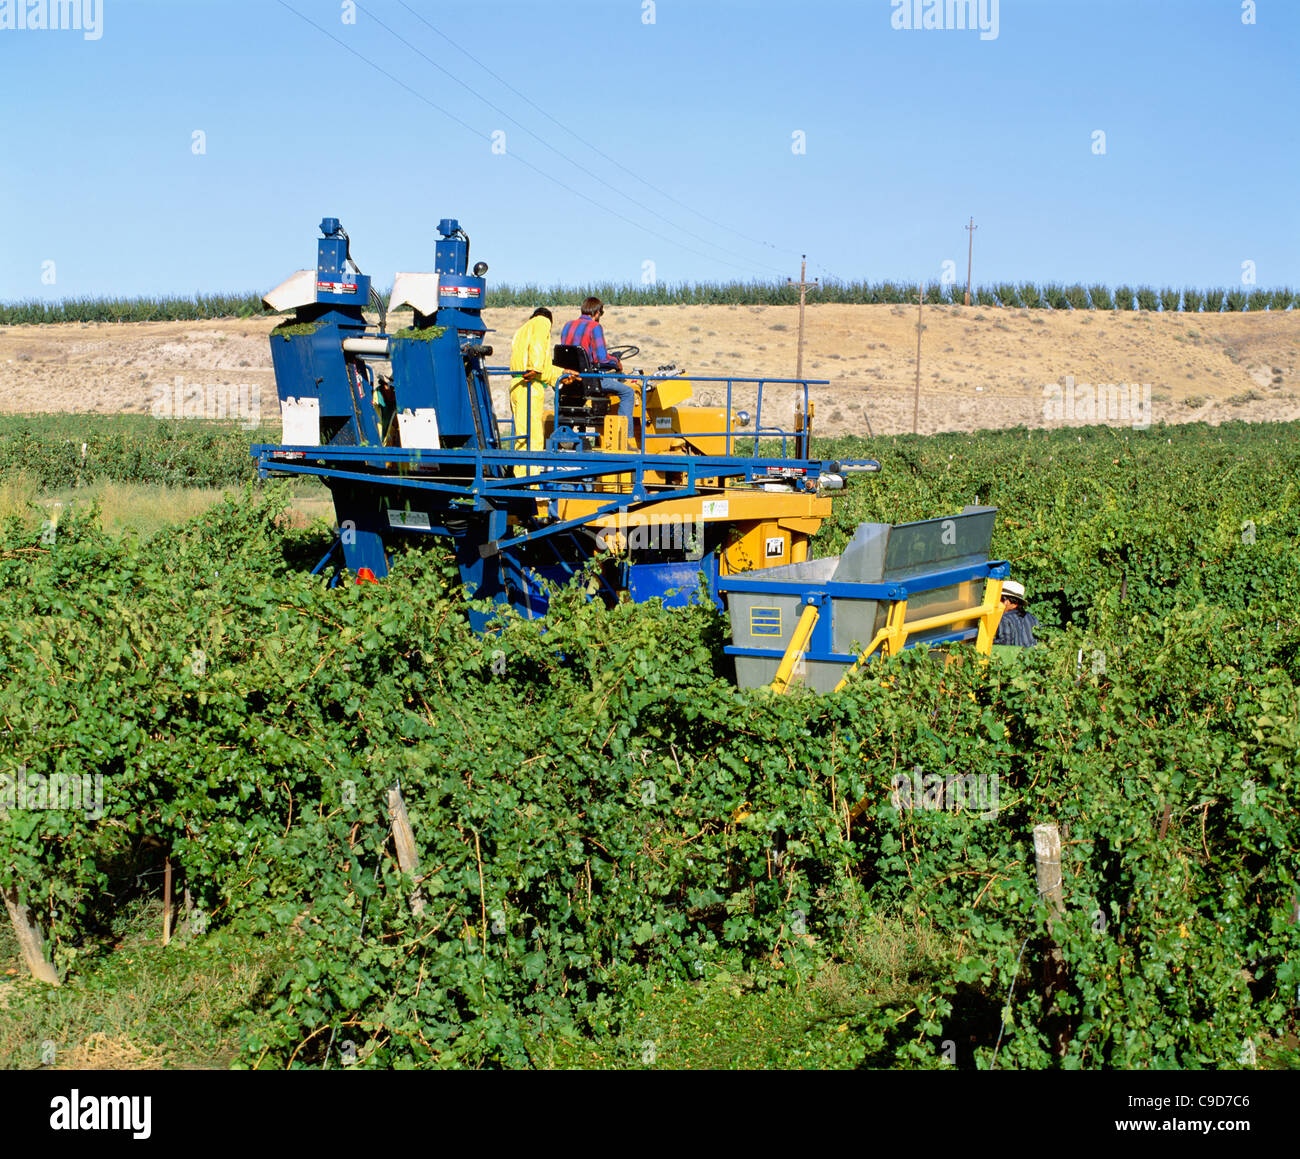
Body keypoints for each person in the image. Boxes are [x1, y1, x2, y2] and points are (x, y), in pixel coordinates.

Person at [509, 308, 575, 475]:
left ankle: (521, 473)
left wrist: (561, 374)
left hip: (518, 385)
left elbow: (542, 367)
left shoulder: (521, 331)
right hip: (529, 386)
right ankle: (529, 480)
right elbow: (538, 355)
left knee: (522, 434)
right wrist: (535, 368)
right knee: (533, 436)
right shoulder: (542, 321)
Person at [560, 297, 635, 427]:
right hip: (588, 380)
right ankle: (625, 439)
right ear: (597, 313)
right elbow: (601, 359)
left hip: (569, 380)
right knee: (628, 392)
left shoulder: (567, 325)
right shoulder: (595, 327)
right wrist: (616, 361)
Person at [994, 579, 1039, 647]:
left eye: (999, 600)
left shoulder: (1004, 618)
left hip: (1014, 657)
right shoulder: (1032, 618)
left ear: (1007, 601)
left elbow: (1004, 645)